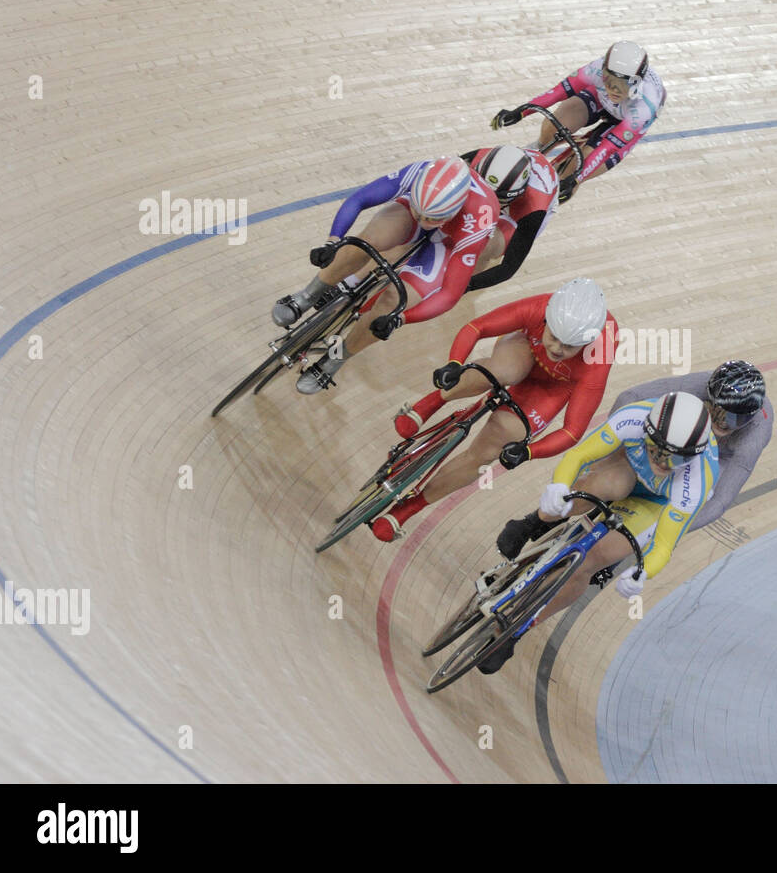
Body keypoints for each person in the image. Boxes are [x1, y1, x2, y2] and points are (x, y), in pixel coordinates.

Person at [477, 391, 718, 674]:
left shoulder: (698, 482)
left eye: (676, 460)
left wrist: (643, 572)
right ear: (647, 433)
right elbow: (579, 455)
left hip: (654, 504)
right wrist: (559, 487)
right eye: (656, 450)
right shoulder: (634, 417)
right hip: (624, 466)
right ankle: (532, 523)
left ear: (693, 457)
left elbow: (664, 544)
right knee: (602, 486)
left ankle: (516, 630)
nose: (663, 464)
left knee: (589, 563)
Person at [369, 278, 616, 542]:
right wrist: (454, 364)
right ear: (547, 320)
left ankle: (408, 508)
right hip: (525, 349)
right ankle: (431, 402)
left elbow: (572, 431)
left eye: (569, 346)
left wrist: (528, 451)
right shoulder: (541, 307)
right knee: (502, 371)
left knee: (490, 449)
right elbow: (477, 327)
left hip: (555, 387)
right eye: (554, 337)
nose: (557, 349)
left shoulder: (598, 356)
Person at [269, 156, 500, 394]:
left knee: (393, 304)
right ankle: (307, 296)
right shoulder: (421, 173)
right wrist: (333, 240)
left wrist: (401, 318)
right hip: (419, 211)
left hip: (450, 242)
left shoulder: (478, 222)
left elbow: (450, 294)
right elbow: (360, 199)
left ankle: (335, 359)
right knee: (364, 242)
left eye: (431, 218)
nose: (423, 221)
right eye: (419, 212)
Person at [490, 40, 665, 201]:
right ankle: (538, 149)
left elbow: (608, 148)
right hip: (600, 99)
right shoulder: (596, 68)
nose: (613, 88)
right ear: (603, 71)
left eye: (622, 84)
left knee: (572, 172)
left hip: (626, 122)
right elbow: (559, 92)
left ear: (635, 83)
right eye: (609, 80)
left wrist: (576, 178)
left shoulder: (644, 107)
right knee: (555, 125)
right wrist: (521, 112)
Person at [608, 360, 771, 531]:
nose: (722, 422)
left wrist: (670, 531)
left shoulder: (754, 435)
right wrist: (608, 453)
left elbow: (719, 502)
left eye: (734, 419)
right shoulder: (697, 386)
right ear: (708, 395)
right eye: (718, 410)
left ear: (751, 418)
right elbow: (629, 397)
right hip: (687, 432)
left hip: (719, 457)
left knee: (696, 497)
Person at [458, 145, 560, 293]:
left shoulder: (534, 208)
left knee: (484, 245)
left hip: (516, 212)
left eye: (497, 199)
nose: (489, 200)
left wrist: (467, 286)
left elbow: (508, 268)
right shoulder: (477, 159)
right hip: (505, 193)